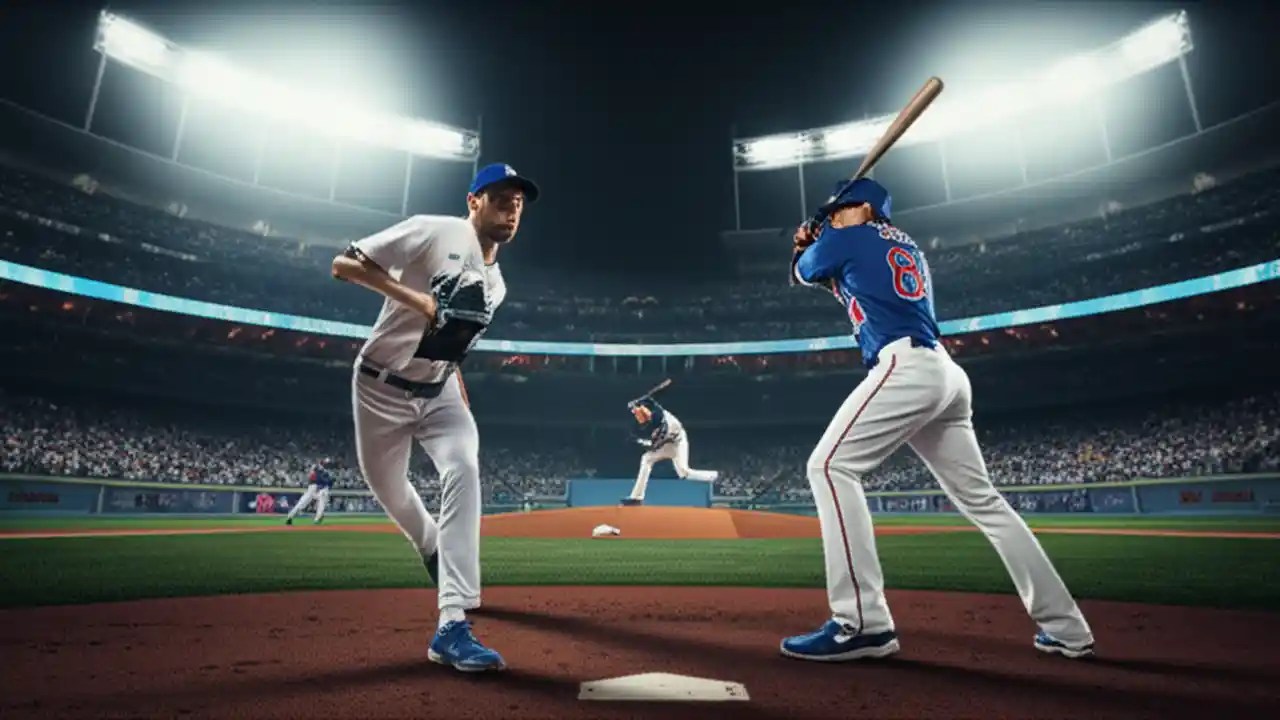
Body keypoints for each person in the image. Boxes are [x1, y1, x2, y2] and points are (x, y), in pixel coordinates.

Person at [780, 178, 1095, 662]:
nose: (834, 217)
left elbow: (802, 272)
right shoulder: (902, 244)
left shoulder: (848, 236)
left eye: (840, 210)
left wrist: (806, 241)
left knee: (828, 467)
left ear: (863, 208)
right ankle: (1068, 628)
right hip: (944, 373)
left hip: (906, 368)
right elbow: (842, 279)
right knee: (985, 502)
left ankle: (862, 622)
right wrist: (819, 239)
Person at [330, 162, 539, 673]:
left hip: (440, 389)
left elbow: (454, 347)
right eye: (500, 198)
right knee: (392, 491)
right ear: (473, 201)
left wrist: (454, 390)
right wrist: (420, 300)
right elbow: (345, 263)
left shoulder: (498, 285)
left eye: (518, 203)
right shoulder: (437, 230)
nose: (511, 209)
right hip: (378, 385)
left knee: (463, 468)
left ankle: (452, 622)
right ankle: (429, 548)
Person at [620, 394, 718, 506]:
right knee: (647, 459)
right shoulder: (655, 412)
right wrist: (637, 404)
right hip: (666, 442)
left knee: (684, 473)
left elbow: (654, 445)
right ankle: (637, 497)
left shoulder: (662, 423)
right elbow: (651, 400)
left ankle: (715, 477)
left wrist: (641, 442)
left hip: (678, 442)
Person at [285, 458, 335, 525]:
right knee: (304, 503)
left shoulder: (325, 471)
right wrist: (328, 481)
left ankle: (317, 518)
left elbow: (329, 483)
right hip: (315, 487)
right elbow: (320, 476)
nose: (327, 464)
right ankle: (290, 517)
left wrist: (329, 481)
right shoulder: (318, 468)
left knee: (319, 501)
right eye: (326, 463)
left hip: (319, 488)